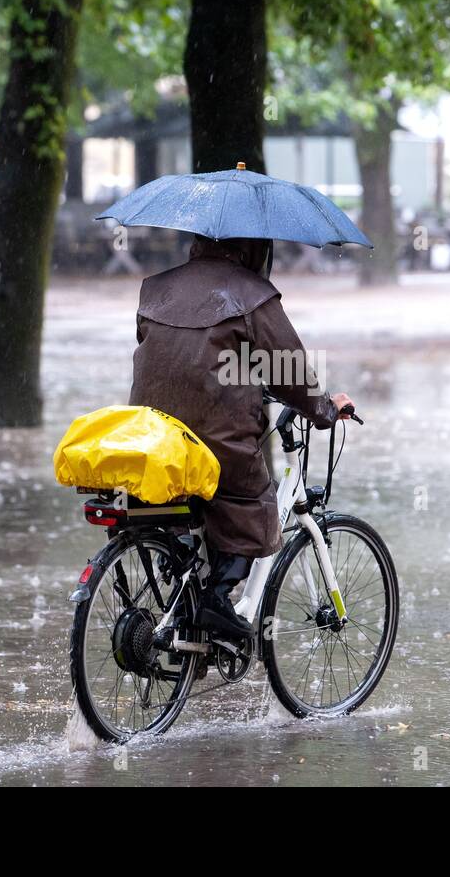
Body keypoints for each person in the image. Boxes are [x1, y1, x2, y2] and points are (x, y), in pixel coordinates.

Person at [129, 235, 353, 641]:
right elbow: (290, 372)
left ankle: (183, 591)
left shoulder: (155, 289)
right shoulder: (251, 295)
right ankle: (214, 600)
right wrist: (323, 411)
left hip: (152, 434)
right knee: (251, 499)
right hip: (215, 439)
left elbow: (168, 357)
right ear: (254, 247)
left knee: (183, 507)